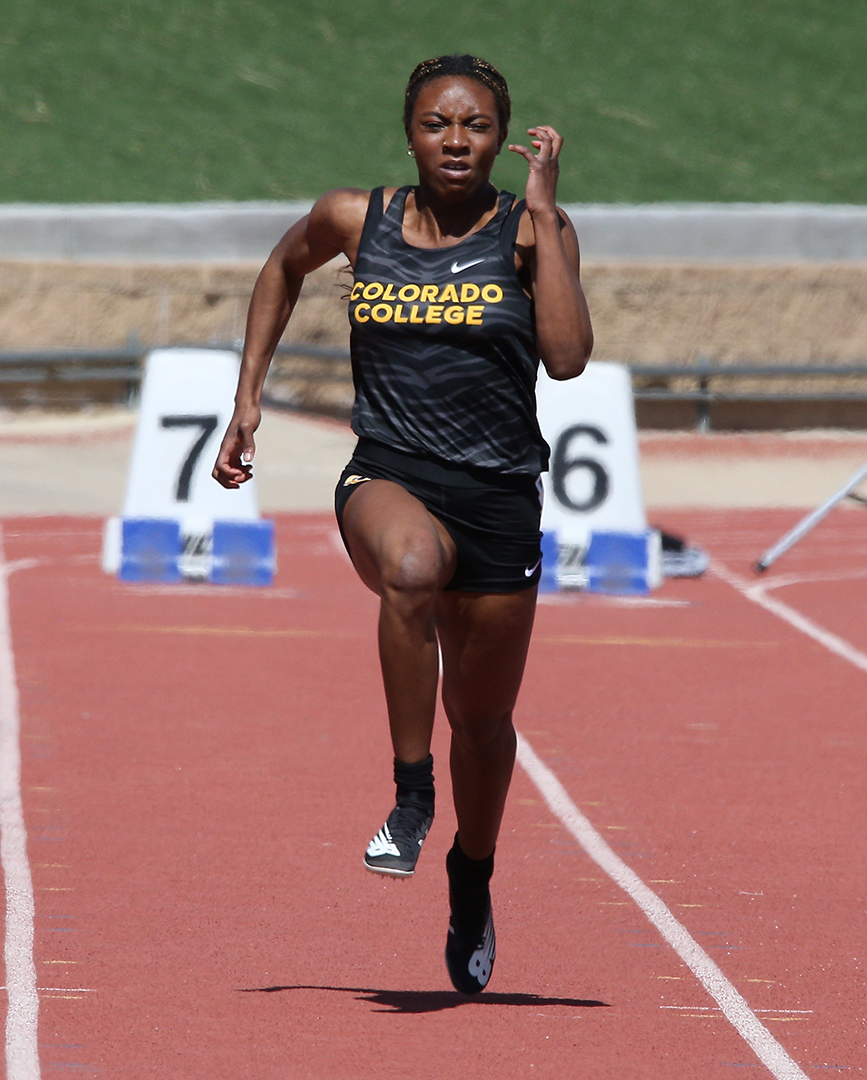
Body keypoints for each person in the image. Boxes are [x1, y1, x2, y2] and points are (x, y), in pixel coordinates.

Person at [212, 55, 591, 992]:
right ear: (408, 131)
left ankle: (473, 876)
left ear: (501, 140)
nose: (455, 143)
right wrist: (247, 399)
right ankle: (410, 796)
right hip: (389, 470)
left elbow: (570, 358)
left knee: (487, 718)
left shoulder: (529, 230)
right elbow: (280, 267)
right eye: (436, 125)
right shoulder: (357, 218)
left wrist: (543, 215)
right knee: (411, 570)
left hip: (501, 493)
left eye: (475, 128)